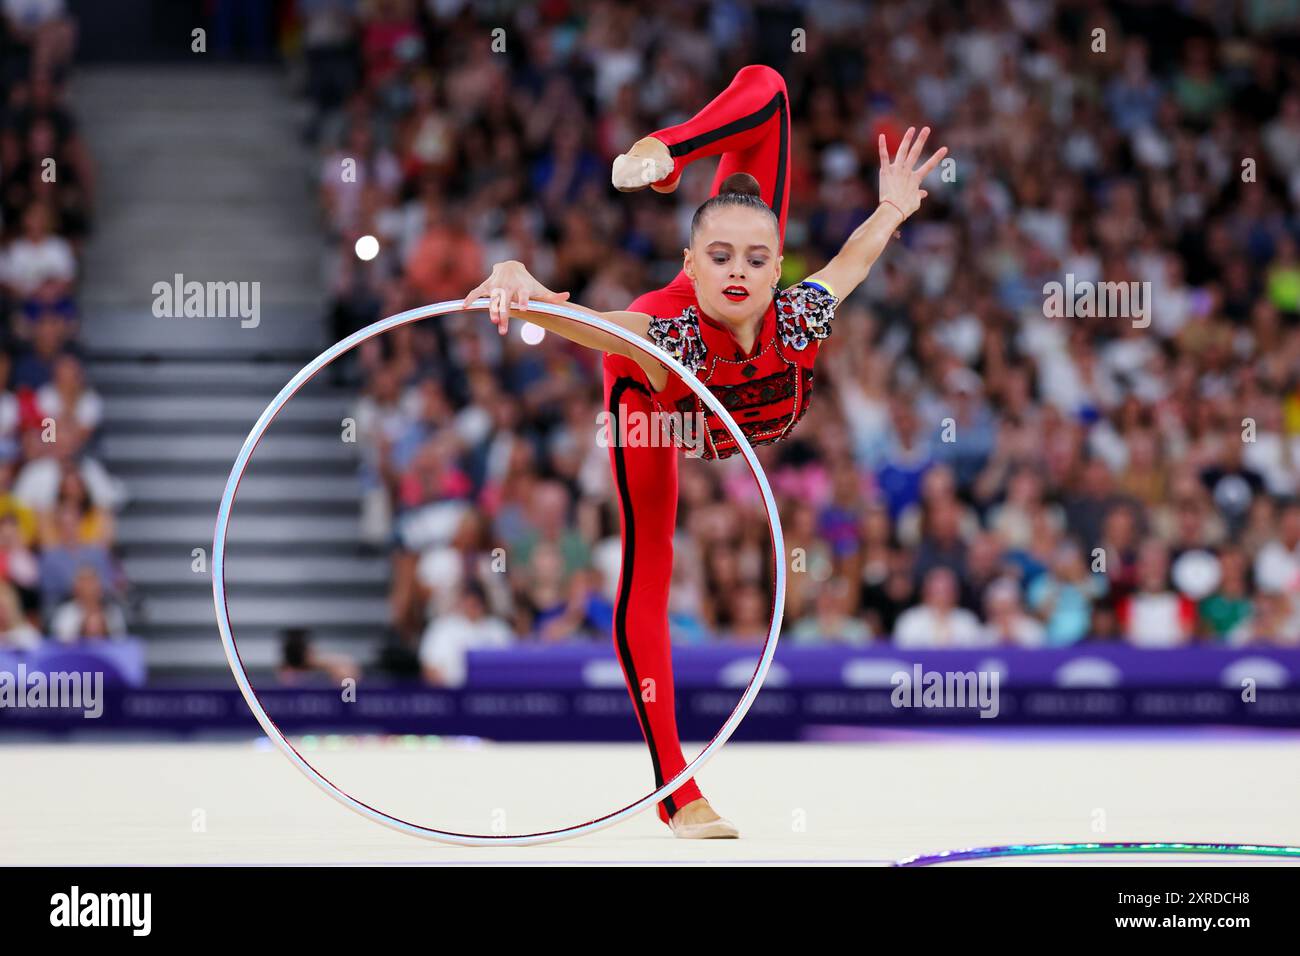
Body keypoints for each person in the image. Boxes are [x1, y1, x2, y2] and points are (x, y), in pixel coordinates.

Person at [462, 65, 944, 837]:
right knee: (647, 559)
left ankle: (674, 150)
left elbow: (852, 261)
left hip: (720, 378)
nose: (739, 273)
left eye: (758, 260)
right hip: (654, 392)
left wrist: (891, 208)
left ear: (779, 265)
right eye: (718, 258)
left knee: (772, 86)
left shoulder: (798, 314)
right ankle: (677, 791)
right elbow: (596, 329)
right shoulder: (670, 336)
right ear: (691, 266)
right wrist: (528, 289)